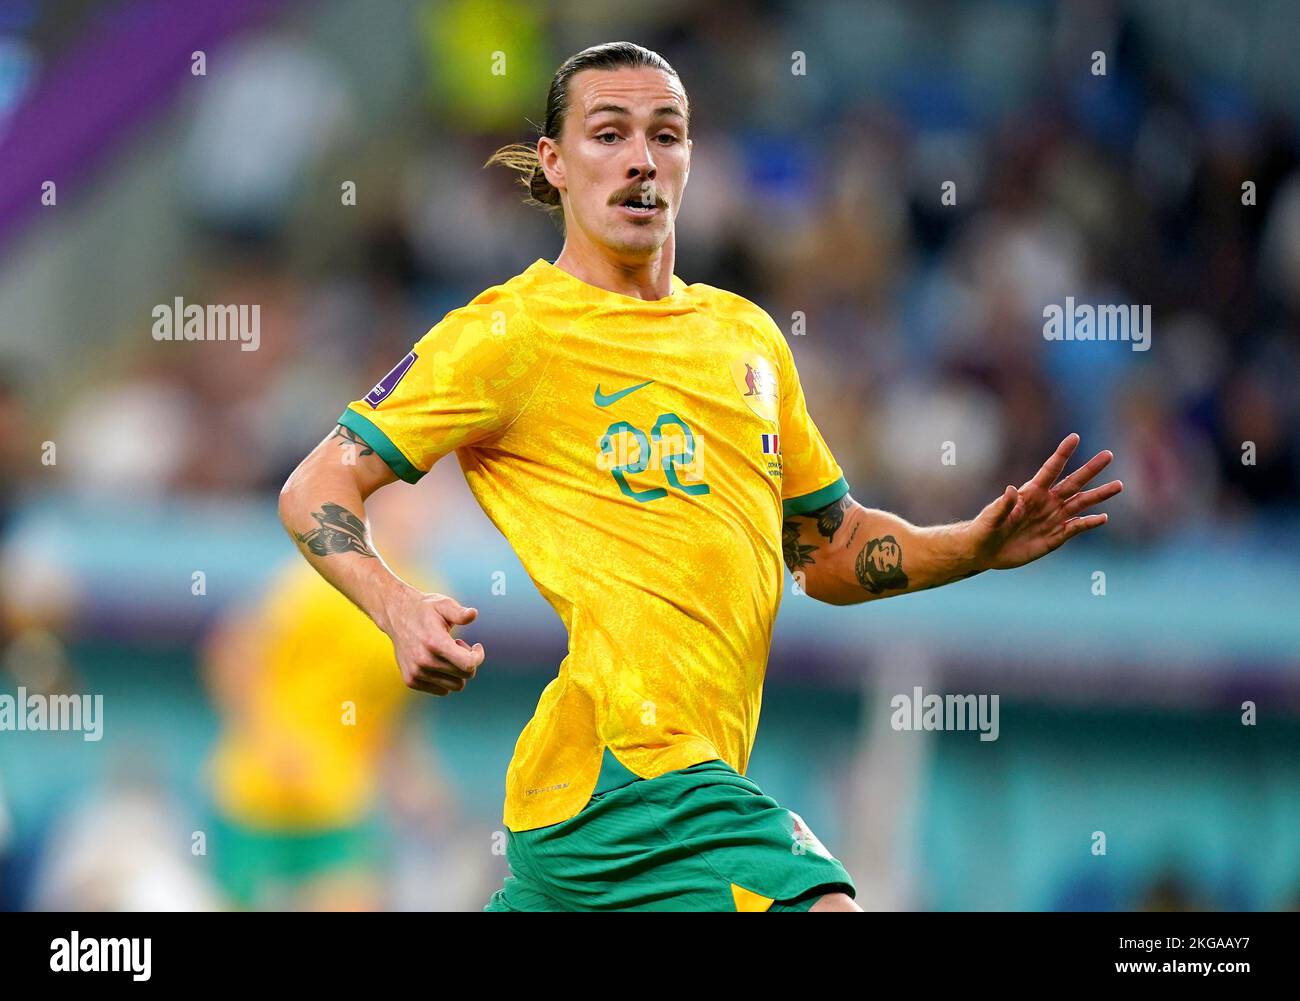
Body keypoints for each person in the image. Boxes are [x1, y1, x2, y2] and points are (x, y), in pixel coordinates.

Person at [277, 42, 1122, 912]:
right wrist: (397, 603)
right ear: (555, 164)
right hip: (635, 770)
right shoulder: (508, 335)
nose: (642, 157)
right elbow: (315, 486)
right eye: (609, 134)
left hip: (593, 804)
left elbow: (827, 550)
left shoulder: (747, 338)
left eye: (666, 134)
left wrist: (969, 546)